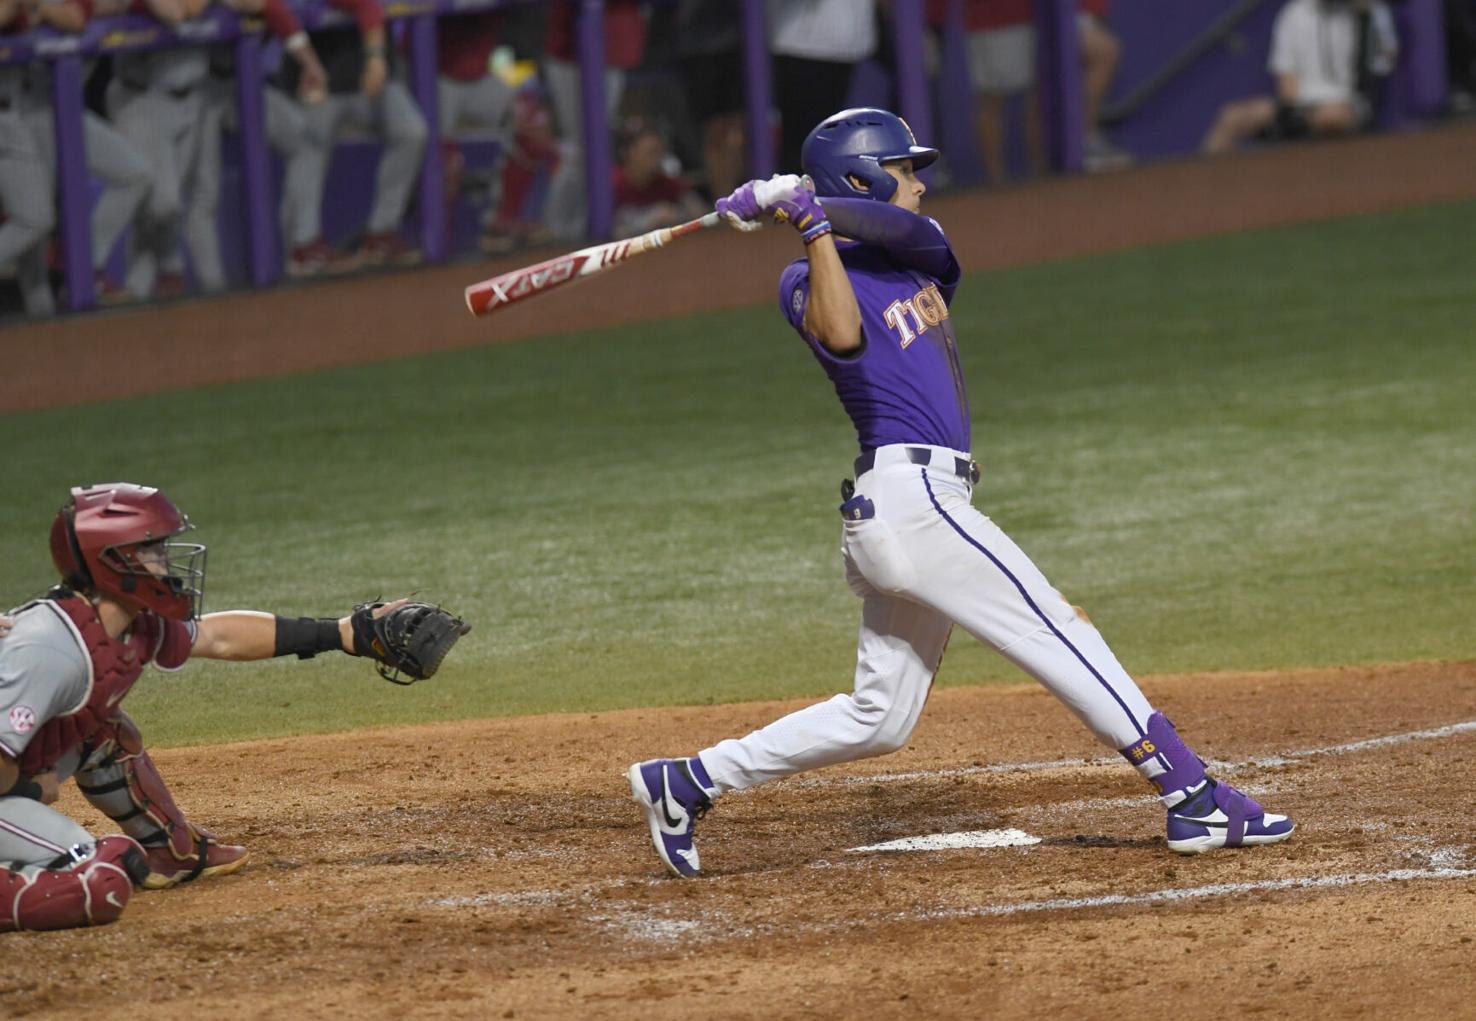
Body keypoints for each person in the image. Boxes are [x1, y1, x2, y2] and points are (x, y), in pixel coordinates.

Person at [627, 108, 1296, 878]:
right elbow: (842, 335)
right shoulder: (804, 279)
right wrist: (808, 225)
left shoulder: (916, 258)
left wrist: (801, 202)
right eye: (904, 169)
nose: (919, 182)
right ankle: (1192, 793)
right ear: (863, 174)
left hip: (917, 509)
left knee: (880, 716)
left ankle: (687, 780)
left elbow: (922, 237)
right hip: (911, 503)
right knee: (1057, 626)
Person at [0, 483, 418, 932]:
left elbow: (220, 637)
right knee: (98, 881)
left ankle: (172, 852)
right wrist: (33, 791)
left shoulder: (130, 625)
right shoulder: (50, 650)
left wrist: (342, 634)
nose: (168, 561)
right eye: (152, 549)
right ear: (112, 562)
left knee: (106, 733)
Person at [278, 0, 429, 267]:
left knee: (411, 130)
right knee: (309, 147)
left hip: (368, 84)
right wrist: (375, 55)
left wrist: (375, 58)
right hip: (319, 83)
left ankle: (382, 233)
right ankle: (304, 245)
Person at [1201, 0, 1399, 156]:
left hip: (1348, 104)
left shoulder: (1363, 14)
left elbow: (1383, 61)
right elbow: (1286, 78)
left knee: (1332, 117)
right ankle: (1205, 188)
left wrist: (1366, 14)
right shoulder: (1294, 13)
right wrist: (1294, 112)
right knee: (1231, 118)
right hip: (1303, 106)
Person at [768, 0, 877, 174]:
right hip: (800, 45)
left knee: (828, 135)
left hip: (846, 43)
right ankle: (793, 194)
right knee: (801, 138)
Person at [611, 120, 707, 240]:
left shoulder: (665, 182)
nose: (656, 159)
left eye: (658, 152)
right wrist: (648, 221)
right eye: (650, 152)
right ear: (628, 152)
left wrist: (678, 215)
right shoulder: (611, 183)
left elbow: (700, 214)